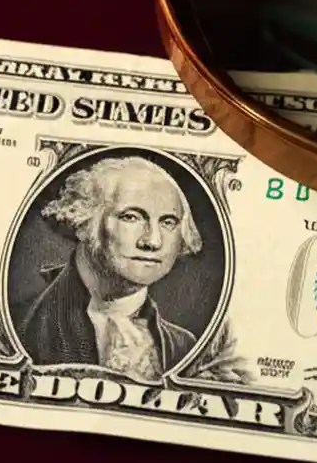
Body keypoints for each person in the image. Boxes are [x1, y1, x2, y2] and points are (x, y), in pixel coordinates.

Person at [13, 156, 202, 380]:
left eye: (168, 222)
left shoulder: (184, 346)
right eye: (131, 217)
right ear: (84, 222)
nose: (152, 241)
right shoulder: (20, 325)